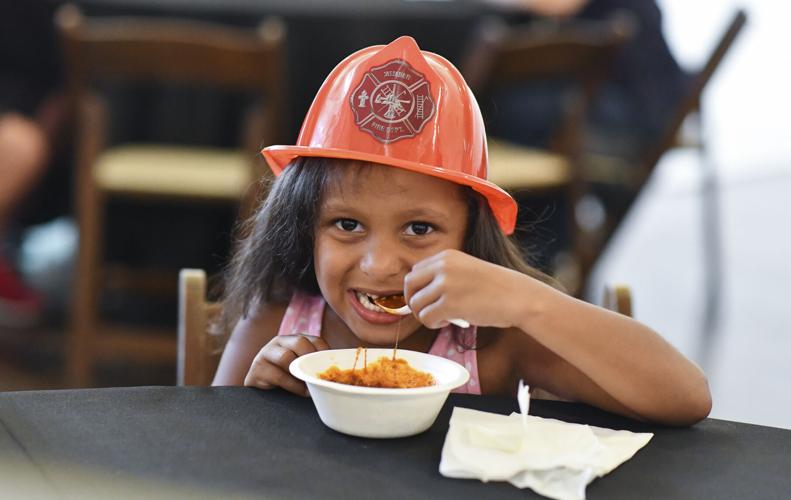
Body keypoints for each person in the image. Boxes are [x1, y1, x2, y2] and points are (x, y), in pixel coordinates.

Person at [211, 36, 711, 426]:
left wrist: (528, 301)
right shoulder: (278, 319)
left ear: (470, 236)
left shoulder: (495, 343)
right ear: (304, 229)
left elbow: (687, 398)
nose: (380, 264)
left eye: (420, 228)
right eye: (346, 225)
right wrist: (256, 406)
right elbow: (205, 452)